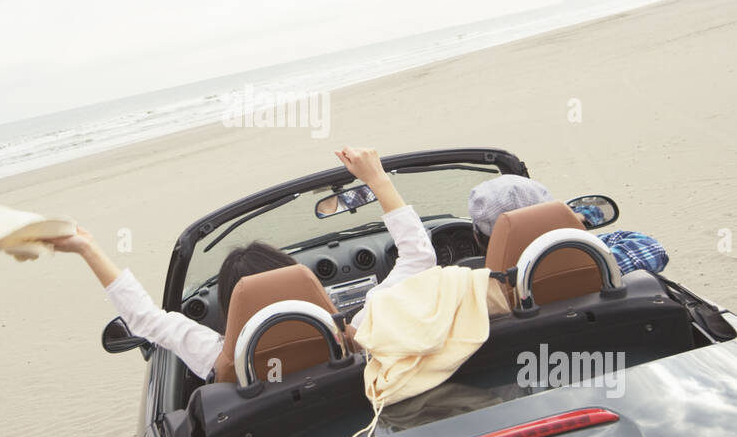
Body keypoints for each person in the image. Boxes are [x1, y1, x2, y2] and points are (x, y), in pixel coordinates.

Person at [42, 146, 438, 382]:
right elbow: (419, 256)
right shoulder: (360, 329)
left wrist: (87, 248)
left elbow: (145, 319)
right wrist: (376, 178)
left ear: (232, 306)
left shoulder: (216, 357)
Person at [467, 175, 670, 275]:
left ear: (477, 237)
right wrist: (573, 220)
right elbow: (654, 250)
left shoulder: (482, 292)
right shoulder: (597, 261)